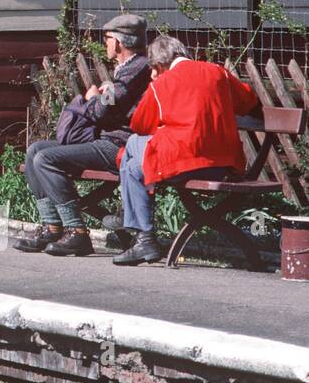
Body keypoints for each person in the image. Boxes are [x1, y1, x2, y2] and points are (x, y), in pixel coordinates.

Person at [107, 35, 259, 265]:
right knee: (133, 167)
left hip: (185, 161)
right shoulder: (217, 72)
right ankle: (143, 239)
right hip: (223, 165)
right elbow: (248, 102)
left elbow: (139, 125)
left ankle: (139, 232)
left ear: (159, 65)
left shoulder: (162, 84)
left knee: (133, 143)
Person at [15, 13, 151, 257]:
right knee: (35, 150)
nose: (105, 44)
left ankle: (77, 232)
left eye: (107, 38)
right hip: (108, 138)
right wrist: (102, 99)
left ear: (119, 42)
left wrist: (90, 99)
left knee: (45, 159)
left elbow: (101, 111)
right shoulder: (128, 69)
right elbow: (110, 108)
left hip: (119, 146)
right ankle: (52, 226)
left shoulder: (136, 69)